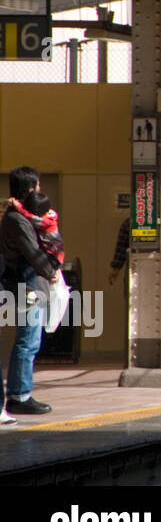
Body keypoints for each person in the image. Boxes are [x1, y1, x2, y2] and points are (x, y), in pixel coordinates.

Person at [0, 166, 62, 417]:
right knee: (28, 340)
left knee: (28, 339)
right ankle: (19, 395)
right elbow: (32, 251)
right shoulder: (17, 220)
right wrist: (51, 272)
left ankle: (19, 393)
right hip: (22, 287)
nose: (40, 190)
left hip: (25, 284)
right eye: (37, 186)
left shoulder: (20, 215)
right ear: (29, 188)